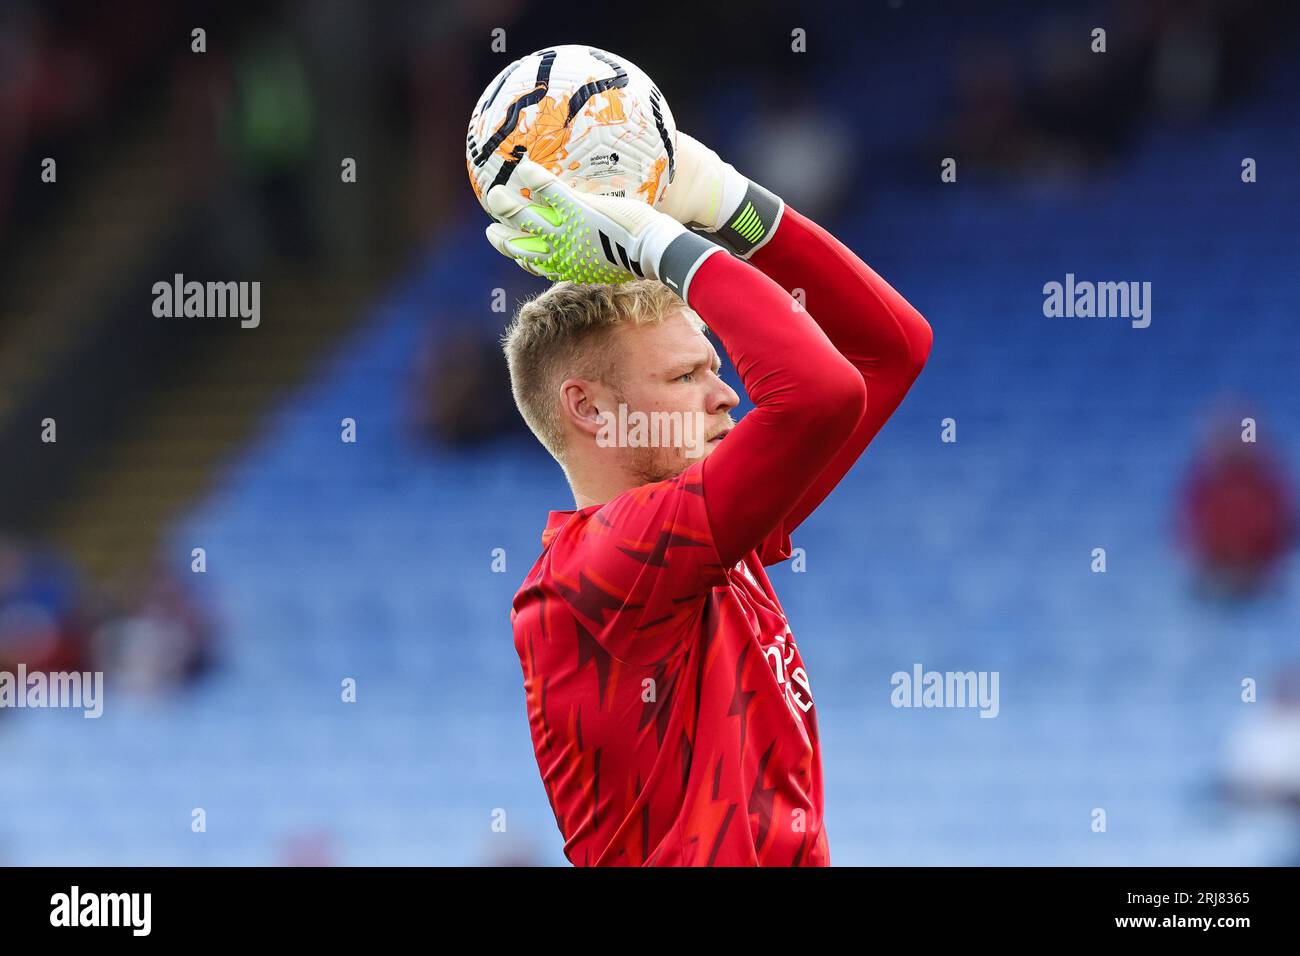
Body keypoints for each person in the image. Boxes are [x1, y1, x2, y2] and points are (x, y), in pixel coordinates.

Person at [483, 135, 932, 865]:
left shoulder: (715, 548)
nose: (728, 395)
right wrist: (661, 242)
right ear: (591, 409)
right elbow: (819, 392)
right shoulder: (600, 567)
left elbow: (893, 348)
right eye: (687, 375)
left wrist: (727, 201)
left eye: (715, 366)